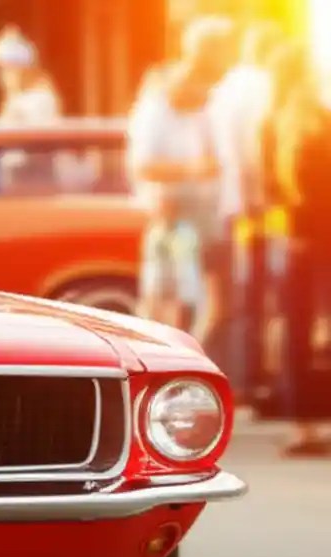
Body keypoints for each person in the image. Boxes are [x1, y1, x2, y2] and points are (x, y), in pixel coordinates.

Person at [127, 18, 234, 341]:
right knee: (173, 304)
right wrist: (192, 170)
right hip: (173, 216)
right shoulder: (155, 109)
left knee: (215, 302)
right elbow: (142, 166)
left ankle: (202, 358)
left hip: (208, 217)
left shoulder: (203, 109)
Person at [258, 44, 331, 455]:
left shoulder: (270, 124)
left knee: (295, 331)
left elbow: (266, 188)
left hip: (289, 239)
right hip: (325, 236)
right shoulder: (322, 121)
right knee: (321, 327)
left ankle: (302, 427)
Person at [209, 22, 283, 397]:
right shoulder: (261, 87)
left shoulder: (224, 88)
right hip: (256, 207)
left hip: (230, 204)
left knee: (240, 294)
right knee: (262, 292)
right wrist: (257, 197)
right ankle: (255, 377)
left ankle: (241, 376)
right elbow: (253, 150)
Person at [0, 25, 60, 123]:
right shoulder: (16, 97)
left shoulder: (38, 98)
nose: (2, 75)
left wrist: (12, 93)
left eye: (6, 69)